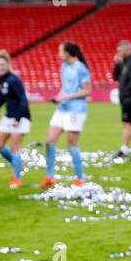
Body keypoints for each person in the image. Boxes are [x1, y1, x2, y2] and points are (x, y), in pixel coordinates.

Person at [44, 40, 91, 188]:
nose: (58, 54)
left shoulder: (82, 69)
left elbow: (87, 90)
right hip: (63, 108)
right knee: (50, 140)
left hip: (76, 110)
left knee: (72, 144)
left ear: (68, 52)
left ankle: (80, 178)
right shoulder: (64, 66)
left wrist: (67, 96)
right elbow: (65, 87)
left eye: (60, 51)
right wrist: (59, 97)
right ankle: (49, 177)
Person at [0, 50, 30, 188]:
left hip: (20, 117)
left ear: (7, 64)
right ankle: (18, 163)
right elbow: (2, 97)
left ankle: (16, 180)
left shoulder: (14, 79)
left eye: (2, 64)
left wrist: (18, 118)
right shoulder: (2, 79)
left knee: (14, 147)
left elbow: (23, 99)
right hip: (8, 116)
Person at [112, 40, 131, 159]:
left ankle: (124, 149)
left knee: (127, 123)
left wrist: (124, 94)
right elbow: (115, 77)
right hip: (128, 98)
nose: (119, 53)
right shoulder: (124, 63)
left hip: (130, 98)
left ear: (127, 50)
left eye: (120, 51)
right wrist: (117, 64)